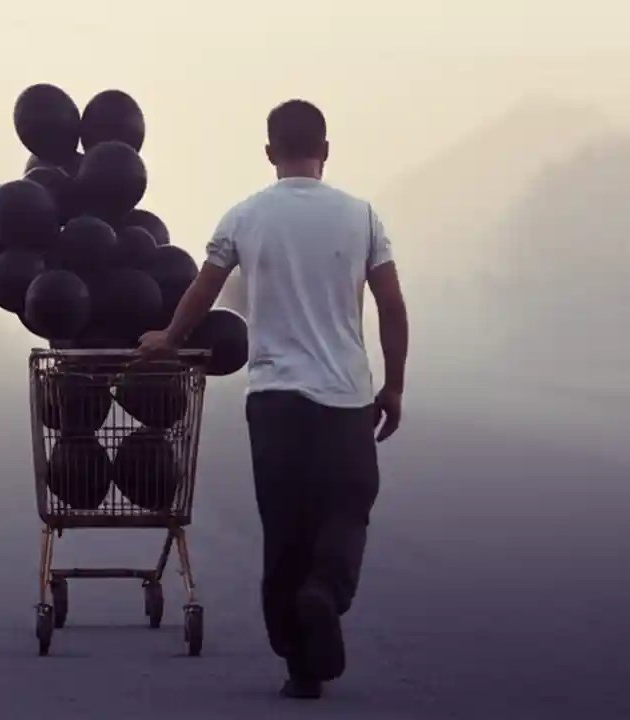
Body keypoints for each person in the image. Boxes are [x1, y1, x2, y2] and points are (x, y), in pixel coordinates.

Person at [136, 99, 409, 700]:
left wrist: (167, 339)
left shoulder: (244, 216)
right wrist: (393, 385)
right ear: (326, 150)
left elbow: (202, 290)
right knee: (346, 510)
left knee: (285, 528)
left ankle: (299, 667)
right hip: (344, 399)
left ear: (268, 153)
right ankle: (325, 595)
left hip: (275, 400)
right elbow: (390, 304)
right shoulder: (361, 217)